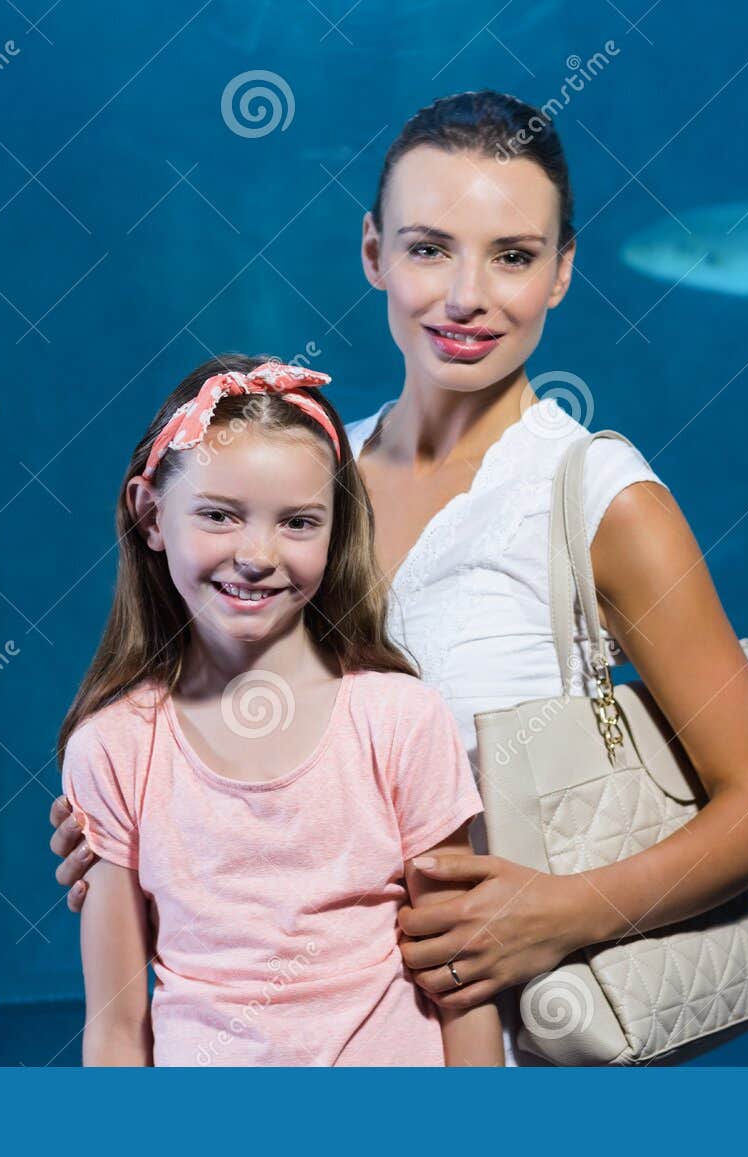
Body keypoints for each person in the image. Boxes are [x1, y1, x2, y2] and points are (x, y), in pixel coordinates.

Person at [52, 91, 748, 1066]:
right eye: (426, 247)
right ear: (371, 252)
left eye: (512, 254)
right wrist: (127, 827)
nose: (465, 296)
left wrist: (557, 911)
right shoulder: (309, 480)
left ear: (563, 271)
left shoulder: (602, 498)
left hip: (517, 1050)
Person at [59, 354, 503, 1066]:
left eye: (298, 522)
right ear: (150, 514)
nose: (257, 554)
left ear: (337, 530)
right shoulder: (111, 749)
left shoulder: (401, 720)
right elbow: (114, 1029)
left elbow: (461, 983)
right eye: (219, 515)